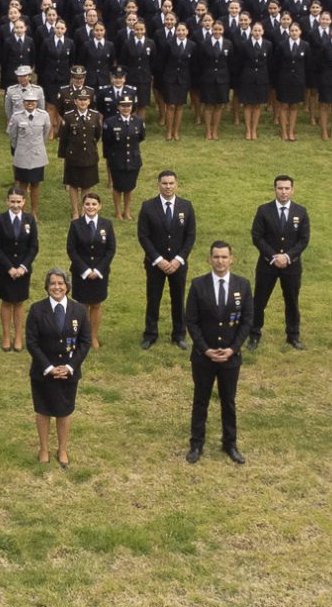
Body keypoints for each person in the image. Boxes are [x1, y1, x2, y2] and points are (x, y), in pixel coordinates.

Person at [182, 241, 252, 465]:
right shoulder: (198, 285)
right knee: (200, 400)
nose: (220, 261)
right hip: (204, 357)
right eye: (216, 257)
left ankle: (230, 443)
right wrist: (206, 349)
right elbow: (191, 321)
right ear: (209, 259)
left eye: (224, 257)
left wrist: (233, 348)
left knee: (228, 401)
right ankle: (196, 444)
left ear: (231, 259)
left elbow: (247, 320)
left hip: (231, 357)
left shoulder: (243, 285)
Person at [26, 269, 89, 467]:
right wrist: (49, 367)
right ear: (47, 287)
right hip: (43, 373)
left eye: (61, 283)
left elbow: (85, 342)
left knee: (64, 412)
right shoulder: (36, 310)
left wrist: (70, 367)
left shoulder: (79, 310)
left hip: (68, 374)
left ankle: (62, 449)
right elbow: (32, 342)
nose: (57, 287)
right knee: (43, 411)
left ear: (67, 286)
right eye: (52, 283)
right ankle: (44, 449)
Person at [248, 174, 309, 351]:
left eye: (287, 188)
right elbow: (257, 237)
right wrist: (273, 256)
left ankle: (293, 336)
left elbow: (304, 239)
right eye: (280, 188)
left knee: (291, 301)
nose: (283, 192)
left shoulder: (301, 212)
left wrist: (287, 257)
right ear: (274, 189)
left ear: (292, 190)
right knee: (259, 300)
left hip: (292, 266)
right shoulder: (264, 210)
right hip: (267, 265)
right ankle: (254, 334)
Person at [137, 169, 196, 351]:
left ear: (177, 184)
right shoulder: (148, 207)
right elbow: (143, 236)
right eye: (164, 183)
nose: (168, 186)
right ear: (158, 185)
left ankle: (179, 335)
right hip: (156, 264)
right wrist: (158, 259)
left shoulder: (186, 206)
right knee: (153, 298)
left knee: (178, 298)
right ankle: (150, 334)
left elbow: (190, 235)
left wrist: (178, 259)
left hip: (178, 264)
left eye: (171, 183)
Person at [65, 192, 115, 349]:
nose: (91, 207)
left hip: (100, 274)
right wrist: (86, 270)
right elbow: (71, 250)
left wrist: (98, 270)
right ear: (83, 206)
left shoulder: (107, 225)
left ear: (100, 206)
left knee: (96, 305)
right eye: (87, 204)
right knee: (82, 306)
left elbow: (110, 249)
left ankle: (93, 337)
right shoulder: (76, 225)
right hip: (81, 273)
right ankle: (81, 336)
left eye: (94, 204)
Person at [0, 189, 39, 353]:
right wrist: (10, 268)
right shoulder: (0, 220)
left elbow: (33, 247)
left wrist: (22, 267)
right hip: (5, 269)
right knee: (6, 302)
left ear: (24, 202)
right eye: (12, 201)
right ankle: (6, 336)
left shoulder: (30, 220)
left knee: (19, 303)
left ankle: (18, 336)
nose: (15, 205)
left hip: (23, 270)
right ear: (7, 202)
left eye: (18, 202)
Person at [57, 86, 103, 214]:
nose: (83, 102)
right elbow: (64, 138)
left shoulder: (95, 116)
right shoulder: (68, 116)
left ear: (89, 101)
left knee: (86, 185)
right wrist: (64, 156)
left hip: (89, 156)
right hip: (73, 156)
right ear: (75, 101)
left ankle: (84, 210)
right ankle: (75, 211)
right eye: (80, 99)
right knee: (73, 185)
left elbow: (97, 135)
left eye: (85, 99)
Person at [101, 94, 145, 220]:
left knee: (129, 187)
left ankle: (127, 211)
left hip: (133, 159)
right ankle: (118, 212)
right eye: (123, 106)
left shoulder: (138, 121)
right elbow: (107, 142)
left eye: (128, 106)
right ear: (118, 107)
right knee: (117, 187)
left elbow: (141, 137)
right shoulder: (110, 122)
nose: (126, 108)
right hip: (117, 160)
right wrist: (110, 159)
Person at [5, 91, 50, 212]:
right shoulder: (17, 116)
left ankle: (34, 211)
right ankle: (22, 211)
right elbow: (13, 135)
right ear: (23, 103)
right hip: (22, 155)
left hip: (37, 155)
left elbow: (46, 132)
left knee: (35, 184)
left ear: (37, 103)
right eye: (27, 101)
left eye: (33, 101)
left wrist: (39, 145)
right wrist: (20, 147)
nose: (30, 103)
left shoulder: (44, 115)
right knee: (23, 184)